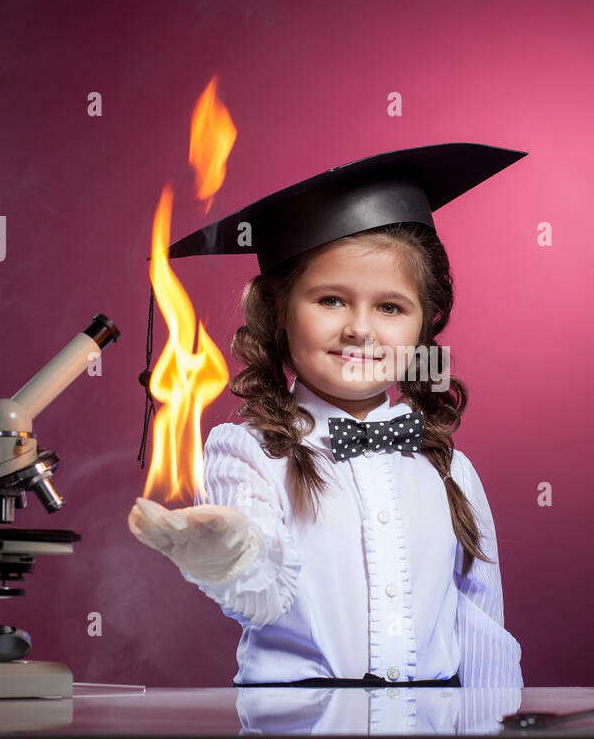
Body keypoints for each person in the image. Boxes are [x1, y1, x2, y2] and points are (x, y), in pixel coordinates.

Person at [128, 143, 525, 688]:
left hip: (430, 732)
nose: (360, 329)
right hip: (297, 731)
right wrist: (230, 551)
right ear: (277, 312)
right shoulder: (248, 451)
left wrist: (494, 735)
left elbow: (481, 625)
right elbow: (262, 592)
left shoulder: (449, 470)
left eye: (390, 307)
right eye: (331, 300)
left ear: (424, 326)